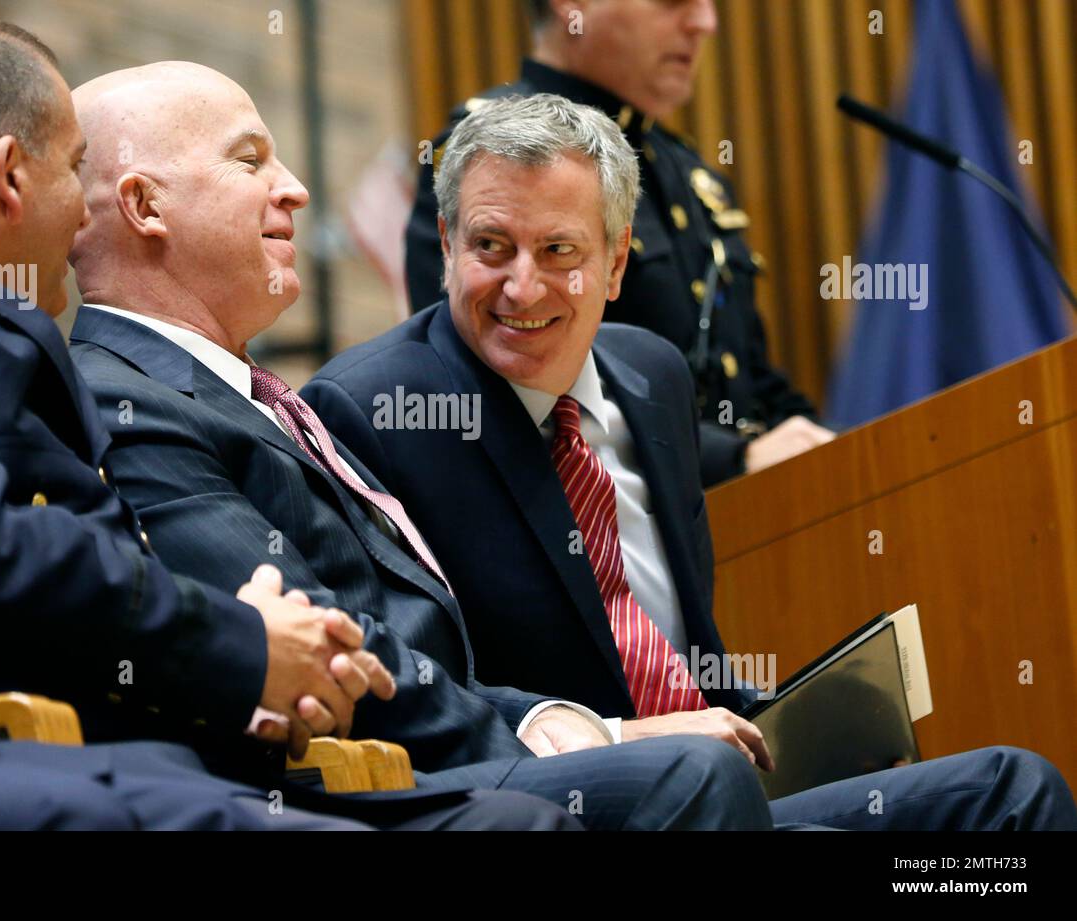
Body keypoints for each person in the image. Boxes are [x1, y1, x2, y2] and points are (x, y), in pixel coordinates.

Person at [0, 12, 579, 833]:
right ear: (11, 177)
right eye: (75, 168)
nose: (84, 219)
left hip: (146, 740)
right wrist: (242, 644)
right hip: (52, 753)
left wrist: (235, 679)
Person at [305, 93, 1077, 830]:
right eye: (490, 246)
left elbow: (685, 663)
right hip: (586, 802)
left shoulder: (653, 376)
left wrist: (815, 711)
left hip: (729, 772)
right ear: (445, 245)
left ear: (614, 264)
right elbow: (411, 684)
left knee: (1015, 792)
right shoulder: (371, 410)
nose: (522, 284)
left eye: (560, 250)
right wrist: (624, 738)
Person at [67, 61, 778, 831]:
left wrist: (549, 716)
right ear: (143, 205)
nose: (295, 188)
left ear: (615, 261)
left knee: (925, 801)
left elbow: (409, 647)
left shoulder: (240, 392)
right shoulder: (129, 401)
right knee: (696, 774)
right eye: (250, 160)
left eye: (561, 252)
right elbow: (325, 650)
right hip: (379, 792)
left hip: (486, 752)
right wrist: (593, 735)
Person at [403, 0, 834, 486]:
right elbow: (494, 382)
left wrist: (829, 448)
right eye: (674, 2)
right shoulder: (489, 162)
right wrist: (729, 458)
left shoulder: (687, 175)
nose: (703, 22)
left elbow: (747, 375)